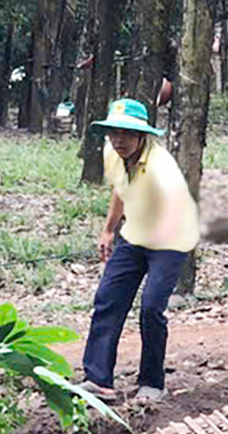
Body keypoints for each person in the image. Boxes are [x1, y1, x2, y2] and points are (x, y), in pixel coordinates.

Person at [76, 98, 199, 404]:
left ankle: (153, 383)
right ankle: (98, 379)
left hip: (169, 241)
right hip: (134, 237)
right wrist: (108, 230)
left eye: (127, 134)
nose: (119, 140)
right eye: (113, 133)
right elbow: (119, 190)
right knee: (108, 298)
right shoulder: (112, 154)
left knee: (151, 308)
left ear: (142, 135)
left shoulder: (161, 167)